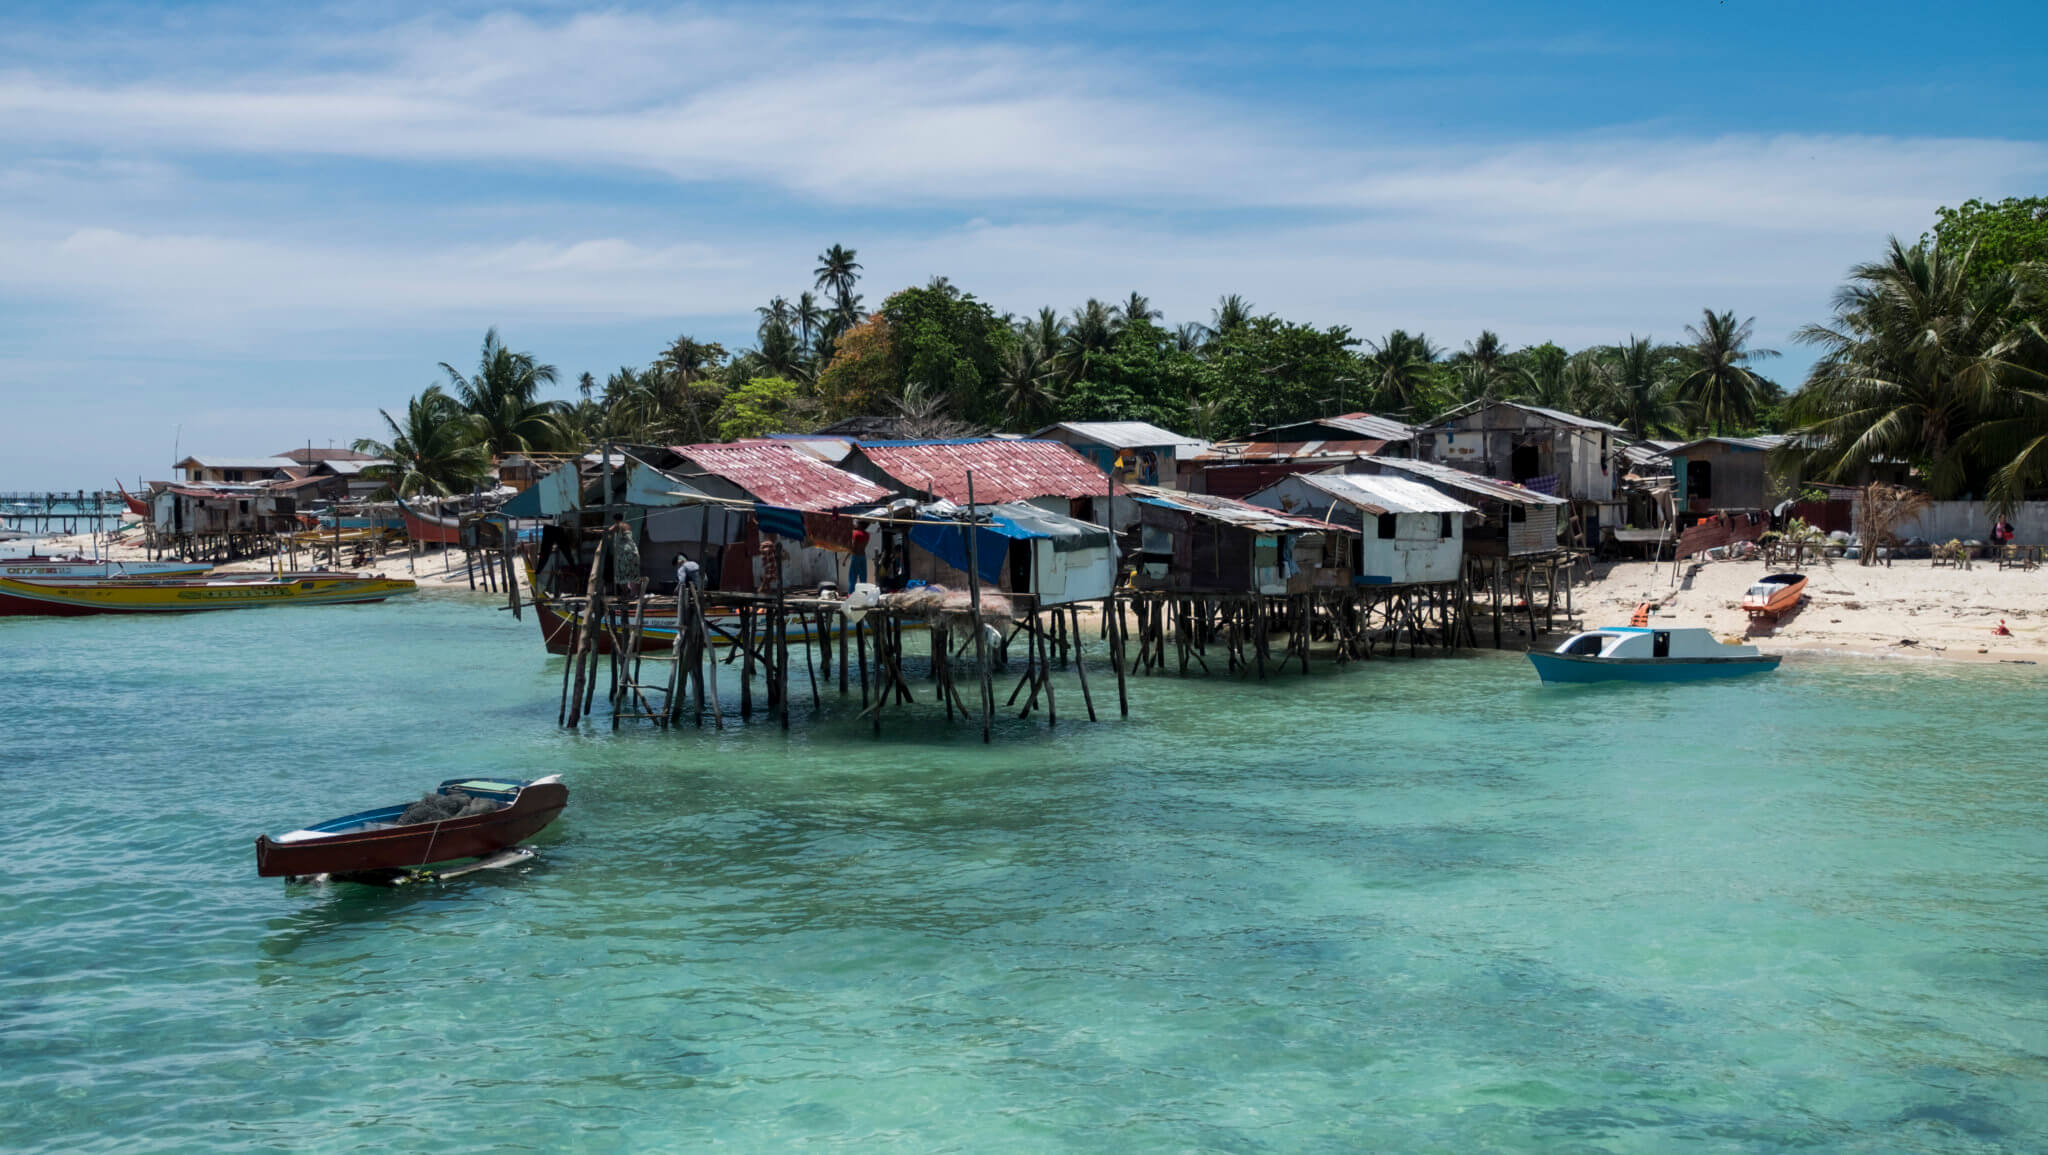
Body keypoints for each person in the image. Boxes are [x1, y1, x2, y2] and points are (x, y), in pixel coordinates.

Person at [847, 523, 871, 590]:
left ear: (860, 525)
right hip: (863, 556)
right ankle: (863, 593)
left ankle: (851, 594)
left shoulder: (856, 533)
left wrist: (845, 559)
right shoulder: (867, 535)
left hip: (856, 556)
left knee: (852, 578)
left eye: (857, 523)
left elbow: (853, 547)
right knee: (863, 577)